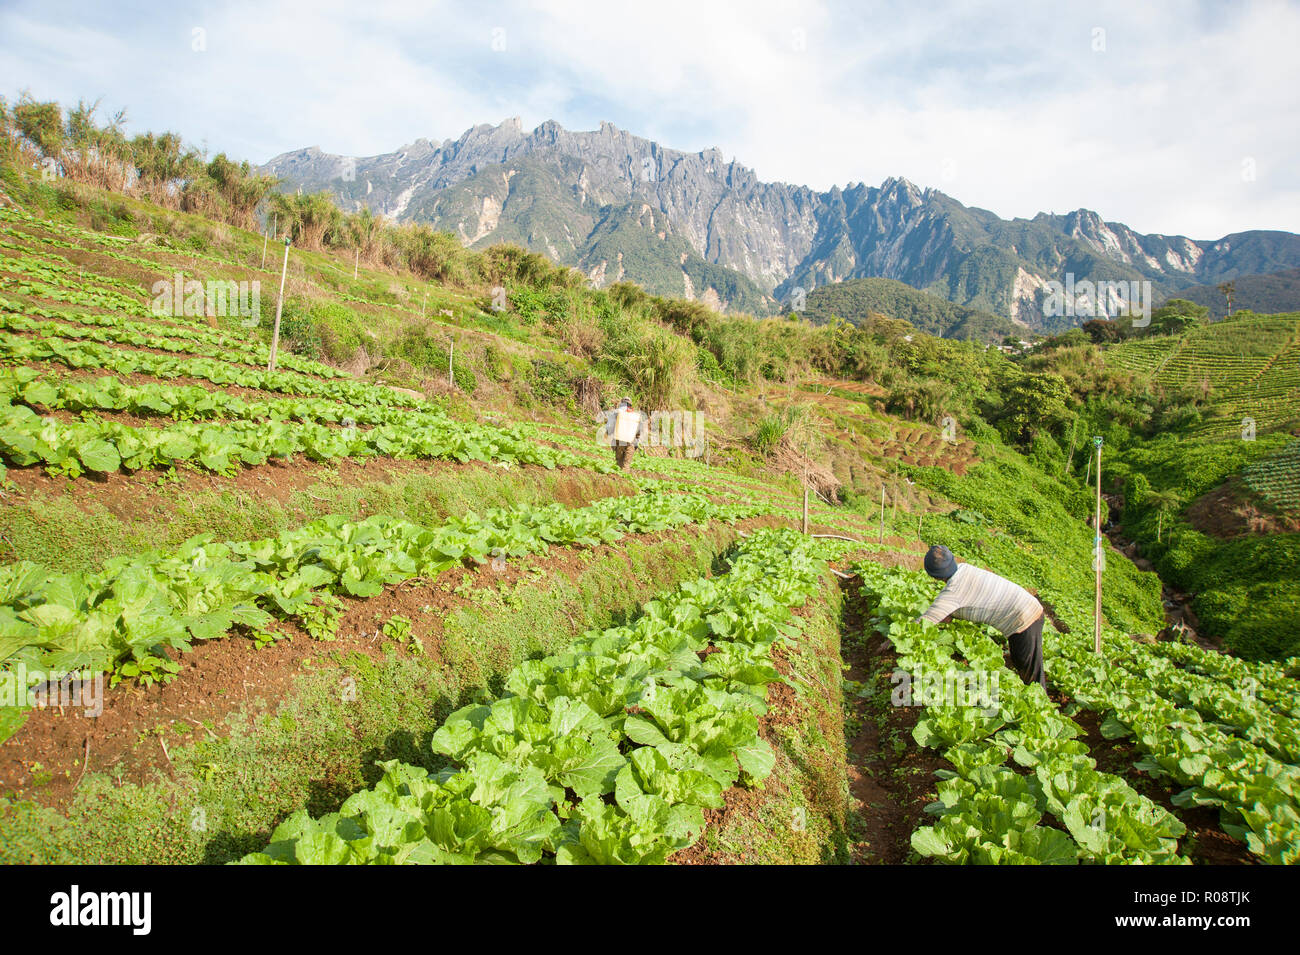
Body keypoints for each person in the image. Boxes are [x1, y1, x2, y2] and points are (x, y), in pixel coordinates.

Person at [915, 544, 1048, 691]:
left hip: (1025, 616)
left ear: (934, 576)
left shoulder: (954, 591)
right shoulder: (964, 569)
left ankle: (1041, 700)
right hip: (1025, 607)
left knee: (1029, 669)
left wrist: (894, 639)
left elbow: (926, 621)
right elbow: (949, 612)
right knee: (1020, 659)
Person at [601, 397, 645, 470]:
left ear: (621, 403)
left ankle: (618, 478)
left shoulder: (616, 413)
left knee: (619, 462)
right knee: (626, 464)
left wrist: (608, 435)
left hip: (618, 441)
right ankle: (624, 478)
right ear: (630, 404)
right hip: (631, 442)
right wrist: (636, 441)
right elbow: (639, 431)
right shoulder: (635, 415)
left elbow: (609, 427)